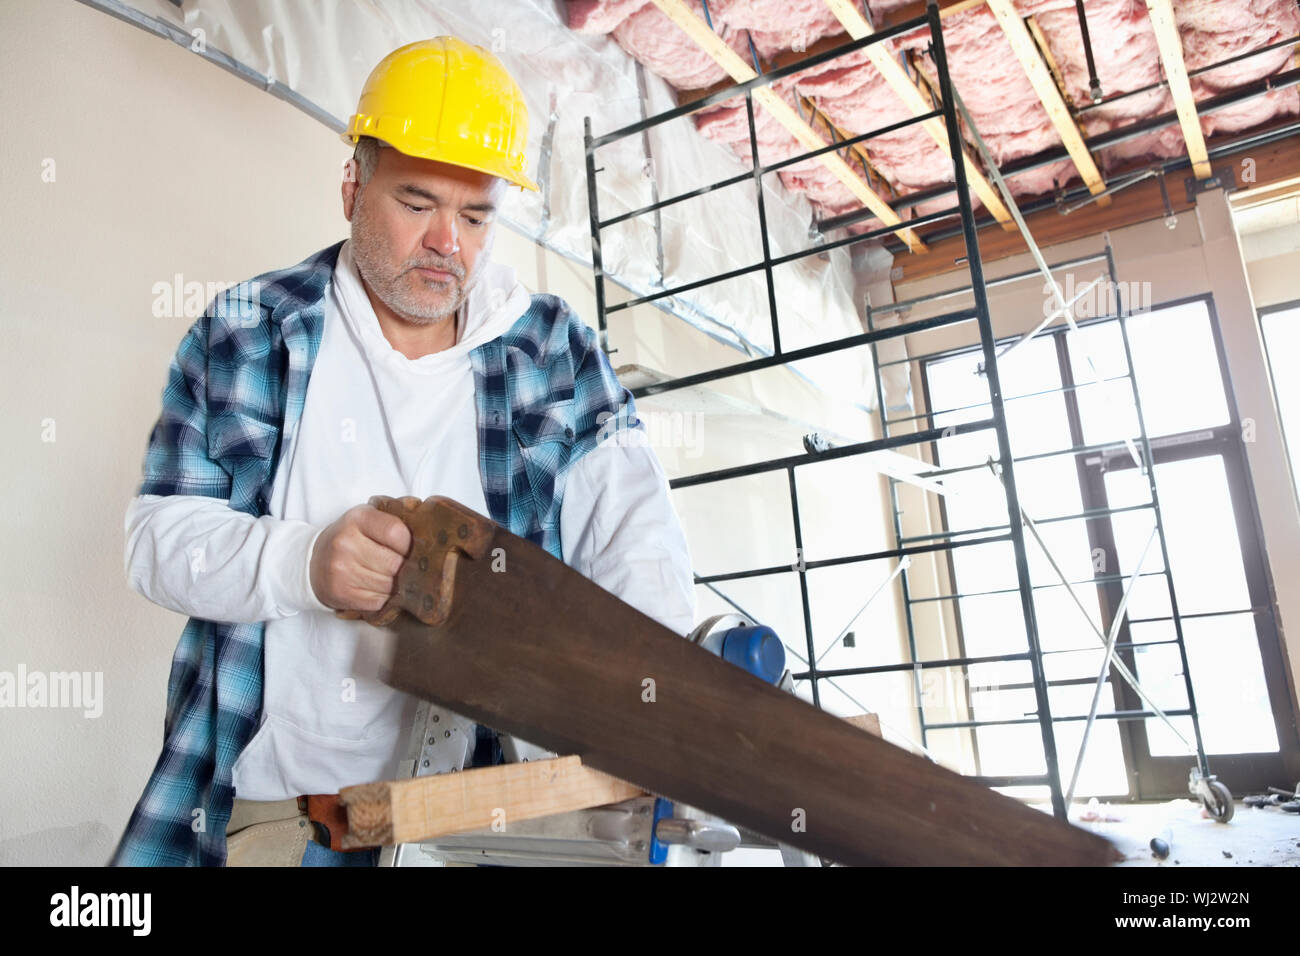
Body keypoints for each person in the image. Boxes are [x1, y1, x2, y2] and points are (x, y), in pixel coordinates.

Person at [110, 36, 696, 867]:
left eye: (476, 214)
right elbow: (156, 546)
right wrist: (305, 563)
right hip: (280, 821)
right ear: (353, 185)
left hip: (474, 827)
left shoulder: (554, 354)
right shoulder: (250, 330)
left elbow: (638, 544)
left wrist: (659, 716)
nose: (446, 244)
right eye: (418, 203)